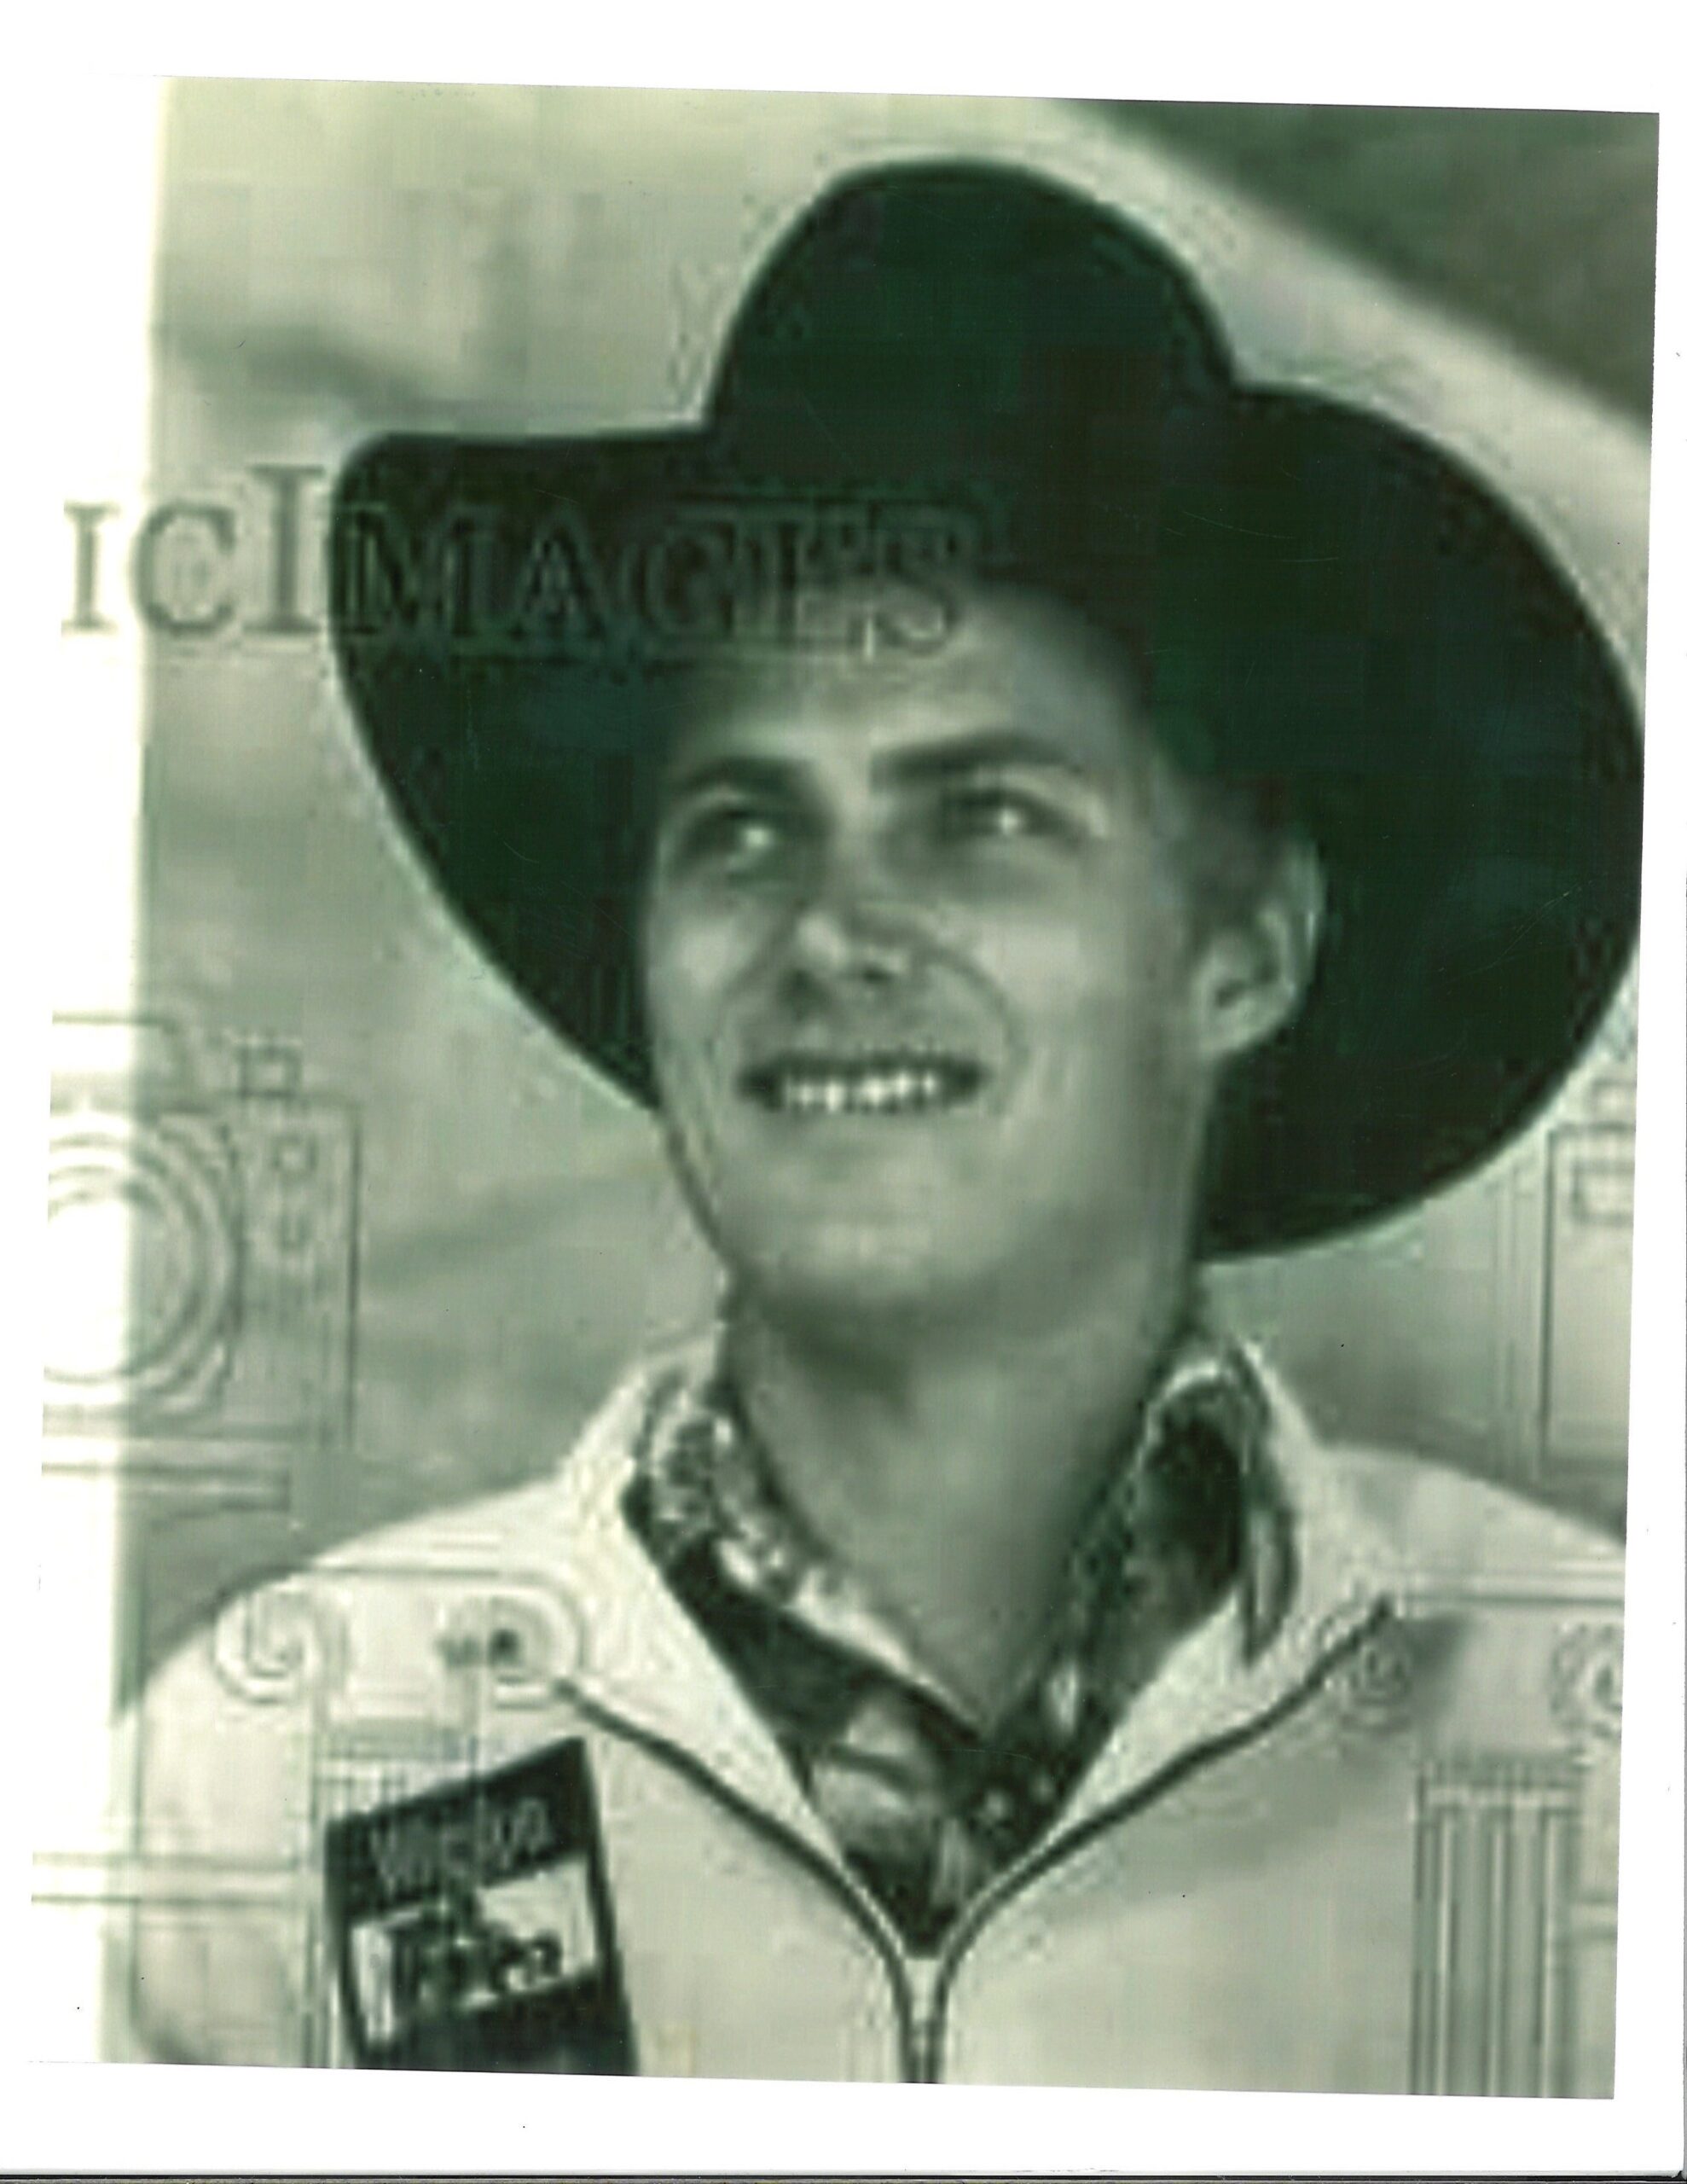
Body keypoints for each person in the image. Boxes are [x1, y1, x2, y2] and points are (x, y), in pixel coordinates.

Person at [109, 160, 1639, 2090]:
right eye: (740, 826)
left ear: (1244, 945)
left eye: (980, 813)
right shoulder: (265, 1798)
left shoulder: (1591, 1745)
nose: (829, 931)